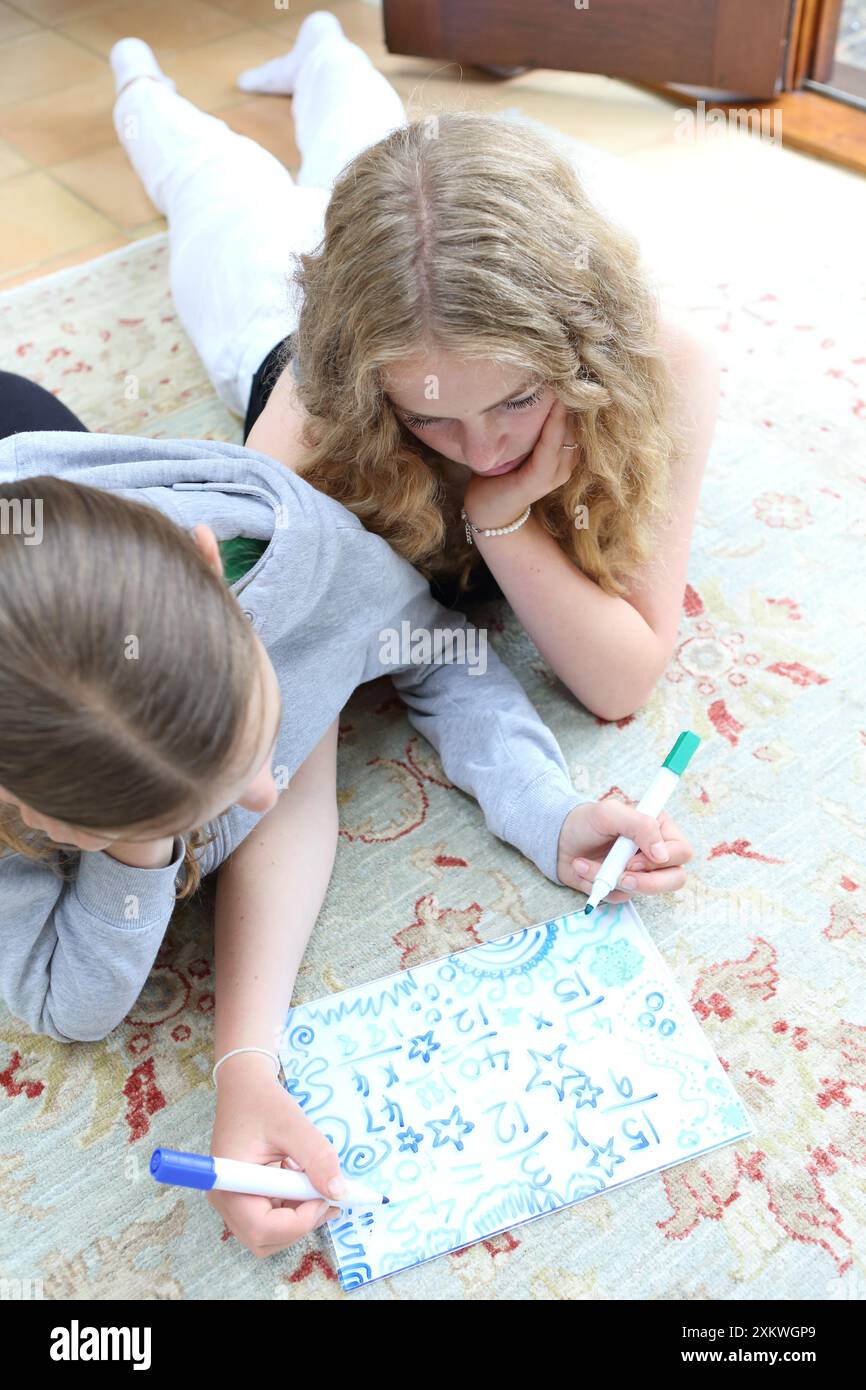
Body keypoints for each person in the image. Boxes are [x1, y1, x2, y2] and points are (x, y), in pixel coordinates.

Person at [0, 372, 693, 1259]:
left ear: (210, 567)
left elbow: (437, 649)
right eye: (190, 810)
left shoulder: (301, 547)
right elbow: (73, 1002)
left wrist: (547, 808)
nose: (268, 793)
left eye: (262, 739)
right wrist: (144, 850)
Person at [109, 11, 720, 723]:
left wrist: (501, 522)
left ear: (580, 341)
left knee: (368, 135)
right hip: (263, 295)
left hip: (399, 264)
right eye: (429, 417)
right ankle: (137, 79)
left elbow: (622, 684)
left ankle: (322, 46)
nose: (486, 451)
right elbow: (238, 646)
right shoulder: (318, 406)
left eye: (518, 400)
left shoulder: (666, 361)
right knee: (212, 177)